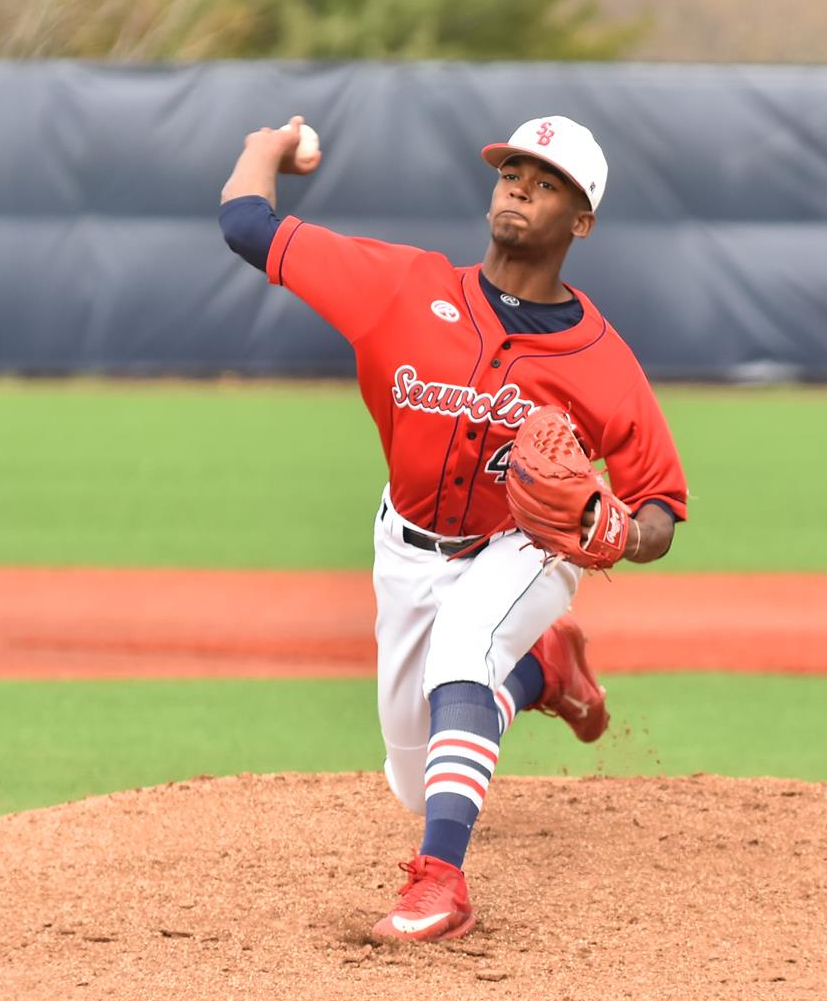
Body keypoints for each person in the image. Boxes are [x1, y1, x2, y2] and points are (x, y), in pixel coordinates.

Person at [217, 114, 688, 942]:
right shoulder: (401, 286)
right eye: (512, 172)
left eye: (548, 184)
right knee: (414, 777)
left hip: (526, 548)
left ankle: (442, 885)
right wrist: (267, 148)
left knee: (466, 643)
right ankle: (543, 670)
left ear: (581, 221)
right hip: (406, 545)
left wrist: (618, 528)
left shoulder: (602, 360)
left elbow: (661, 506)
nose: (520, 188)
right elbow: (245, 226)